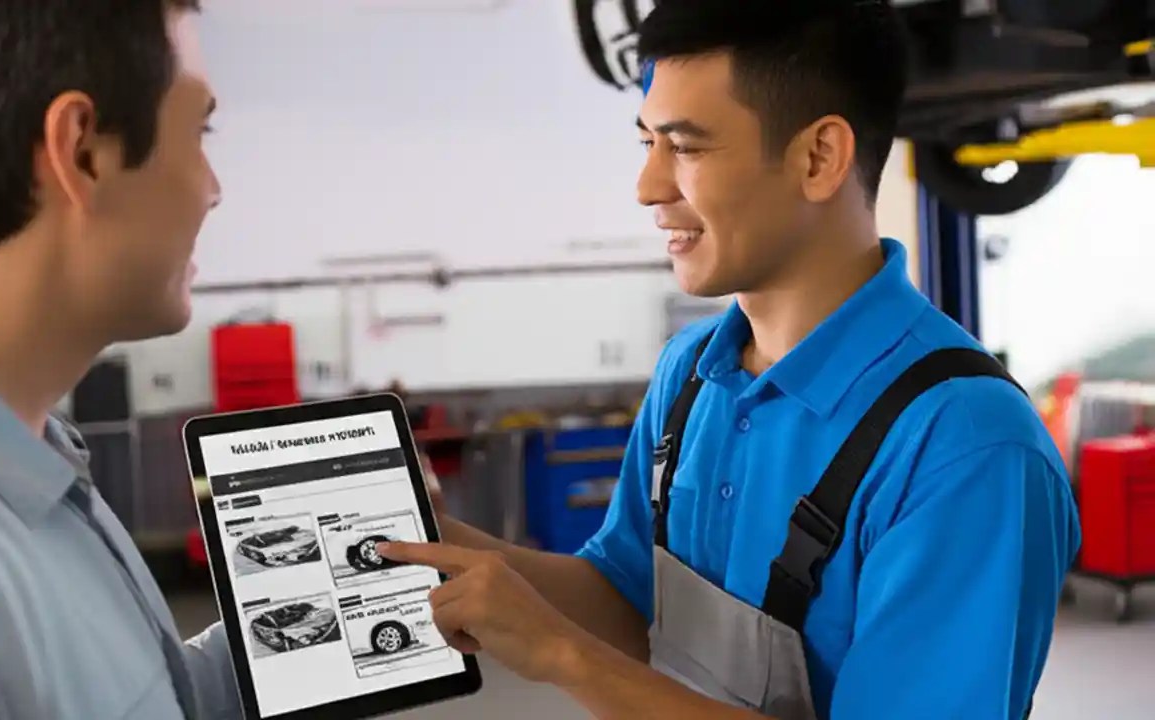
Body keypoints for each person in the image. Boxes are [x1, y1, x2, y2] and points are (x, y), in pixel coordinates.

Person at [379, 2, 1081, 719]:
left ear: (819, 158)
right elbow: (627, 596)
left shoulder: (963, 446)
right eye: (647, 143)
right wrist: (434, 541)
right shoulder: (690, 374)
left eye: (685, 148)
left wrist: (561, 655)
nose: (648, 188)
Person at [0, 2, 238, 718]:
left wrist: (326, 608)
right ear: (82, 152)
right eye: (199, 131)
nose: (214, 187)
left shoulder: (17, 452)